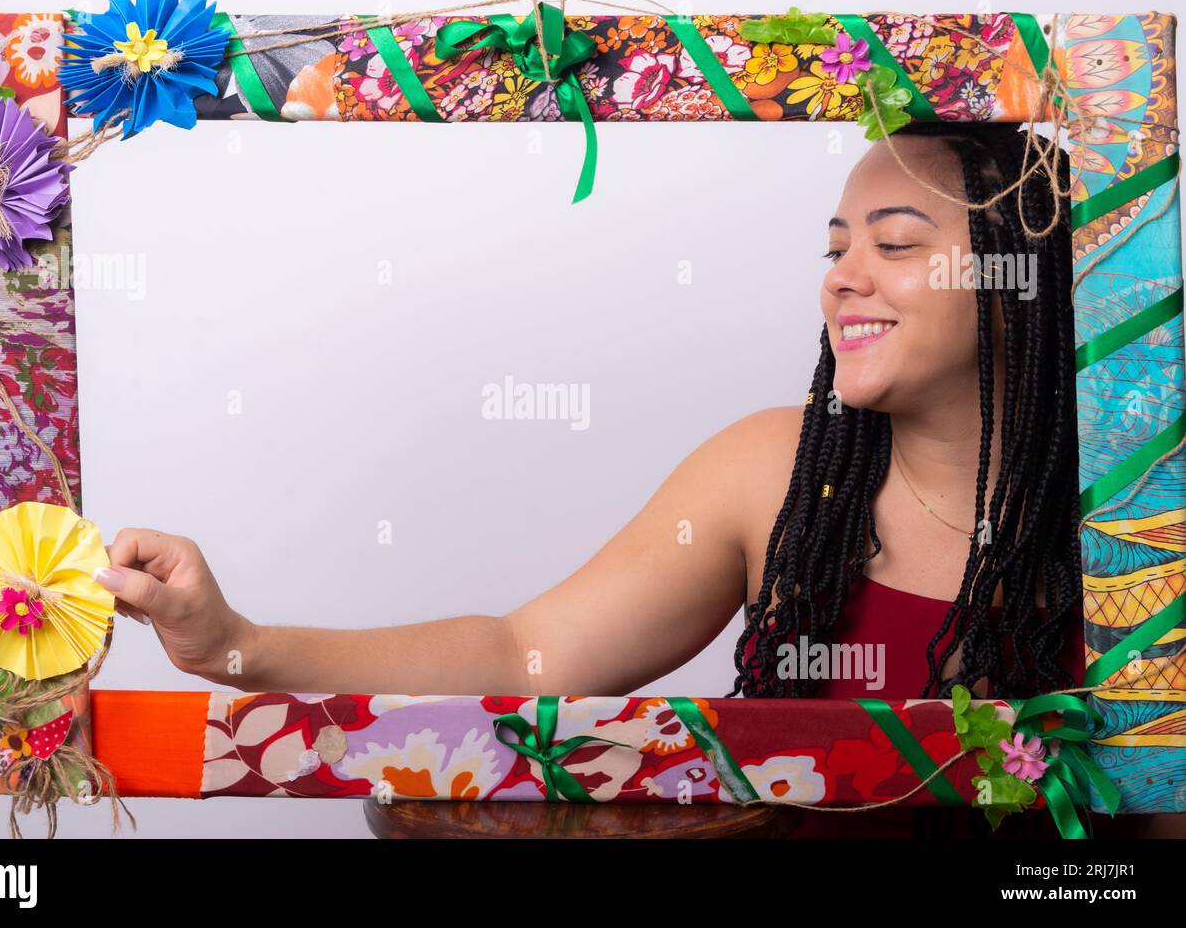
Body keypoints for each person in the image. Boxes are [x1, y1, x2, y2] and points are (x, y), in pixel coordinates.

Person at [92, 121, 1178, 835]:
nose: (843, 276)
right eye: (834, 244)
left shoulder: (1143, 512)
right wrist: (228, 642)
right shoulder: (770, 471)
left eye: (893, 245)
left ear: (1016, 277)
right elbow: (525, 654)